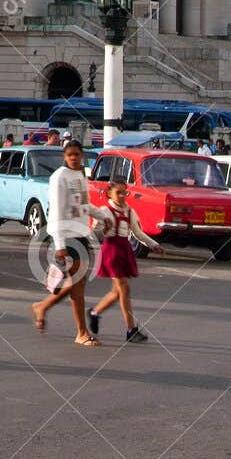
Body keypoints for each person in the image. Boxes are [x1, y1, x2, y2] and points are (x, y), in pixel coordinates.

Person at [30, 140, 98, 346]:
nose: (74, 158)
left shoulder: (81, 174)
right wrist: (59, 245)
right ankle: (81, 333)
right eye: (70, 155)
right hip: (66, 236)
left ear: (82, 155)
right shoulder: (59, 176)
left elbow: (83, 204)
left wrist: (102, 215)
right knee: (76, 286)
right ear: (64, 157)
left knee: (77, 284)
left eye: (77, 154)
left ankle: (42, 307)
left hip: (81, 234)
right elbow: (57, 210)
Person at [89, 177, 162, 342]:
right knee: (124, 290)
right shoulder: (104, 211)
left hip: (124, 249)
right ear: (109, 193)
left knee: (117, 293)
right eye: (118, 192)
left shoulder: (130, 211)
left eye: (124, 192)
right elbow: (95, 231)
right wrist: (102, 228)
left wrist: (154, 245)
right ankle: (131, 329)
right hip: (111, 250)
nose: (122, 196)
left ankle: (95, 312)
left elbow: (137, 232)